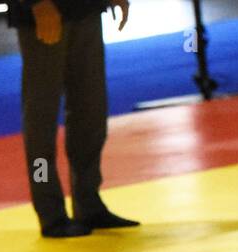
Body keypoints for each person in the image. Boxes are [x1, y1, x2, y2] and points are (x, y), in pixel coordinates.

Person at [8, 0, 139, 238]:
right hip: (43, 12)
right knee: (41, 120)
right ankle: (50, 212)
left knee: (91, 112)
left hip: (86, 9)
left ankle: (88, 202)